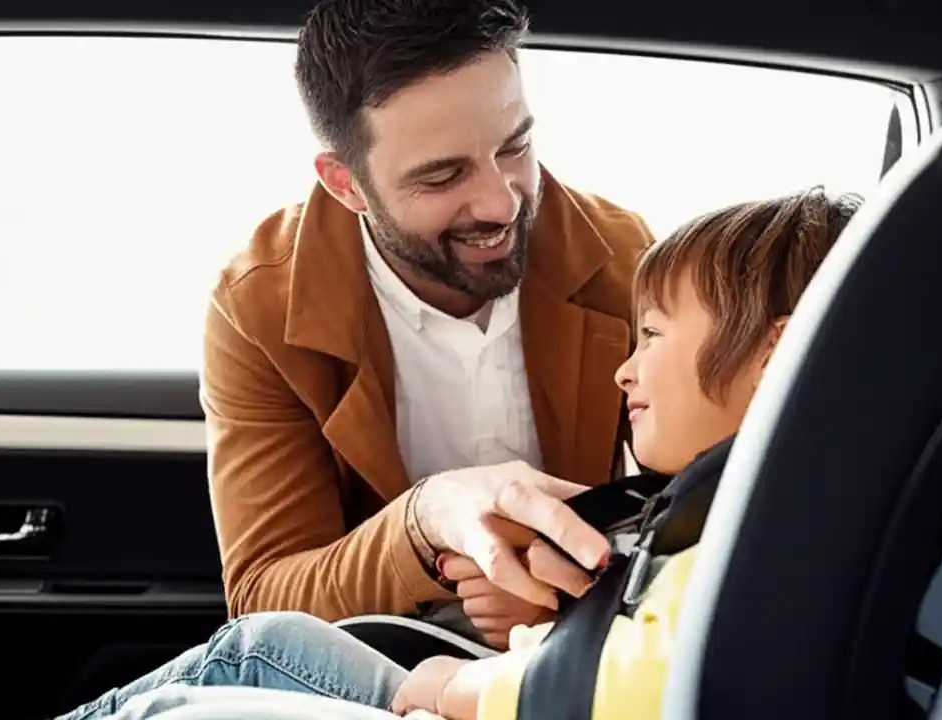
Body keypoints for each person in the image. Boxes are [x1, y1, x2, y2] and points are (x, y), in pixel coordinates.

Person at [54, 187, 861, 720]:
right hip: (517, 671)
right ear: (345, 181)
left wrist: (470, 686)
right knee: (259, 644)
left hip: (497, 695)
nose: (624, 365)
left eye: (649, 336)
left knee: (198, 692)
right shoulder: (732, 505)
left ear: (773, 358)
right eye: (442, 175)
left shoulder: (765, 537)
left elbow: (640, 679)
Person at [202, 0, 654, 649]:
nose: (501, 202)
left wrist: (564, 590)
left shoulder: (622, 257)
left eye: (515, 146)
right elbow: (265, 599)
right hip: (375, 661)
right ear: (345, 184)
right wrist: (426, 520)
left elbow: (699, 507)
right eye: (443, 176)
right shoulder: (257, 309)